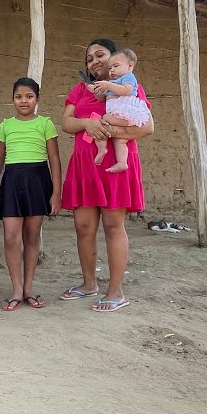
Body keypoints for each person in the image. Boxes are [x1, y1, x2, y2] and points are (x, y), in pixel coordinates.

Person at [59, 38, 155, 313]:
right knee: (84, 227)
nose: (94, 61)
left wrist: (112, 132)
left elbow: (147, 127)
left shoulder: (129, 87)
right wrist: (87, 122)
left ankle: (116, 291)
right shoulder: (79, 90)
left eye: (99, 55)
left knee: (114, 226)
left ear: (116, 59)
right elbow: (66, 123)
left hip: (115, 165)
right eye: (89, 59)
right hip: (84, 166)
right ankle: (89, 284)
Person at [0, 77, 61, 312]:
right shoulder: (5, 126)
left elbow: (54, 160)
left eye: (29, 96)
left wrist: (56, 193)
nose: (24, 101)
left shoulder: (45, 124)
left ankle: (29, 288)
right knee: (11, 237)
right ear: (12, 99)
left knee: (31, 237)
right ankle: (16, 288)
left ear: (37, 100)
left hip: (37, 181)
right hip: (12, 181)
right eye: (19, 97)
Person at [90, 48, 152, 173]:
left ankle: (103, 149)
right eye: (110, 68)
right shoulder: (112, 82)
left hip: (126, 113)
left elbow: (126, 90)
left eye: (115, 66)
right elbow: (102, 98)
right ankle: (121, 162)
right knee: (120, 141)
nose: (111, 70)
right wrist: (97, 91)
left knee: (104, 120)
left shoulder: (128, 78)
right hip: (119, 115)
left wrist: (108, 85)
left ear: (130, 66)